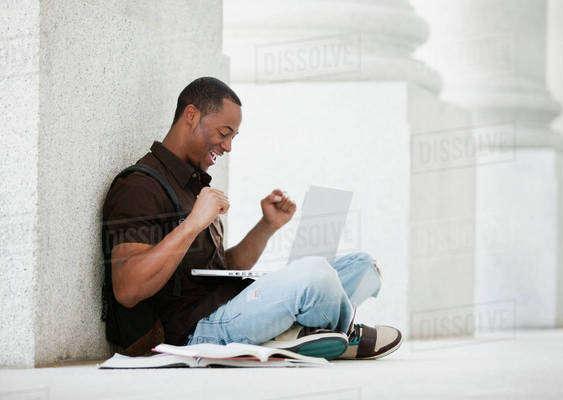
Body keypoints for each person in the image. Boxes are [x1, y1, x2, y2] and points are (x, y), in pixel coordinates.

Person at [102, 77, 402, 360]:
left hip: (226, 308)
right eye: (224, 133)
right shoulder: (140, 187)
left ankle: (303, 332)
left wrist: (266, 226)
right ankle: (339, 334)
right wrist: (193, 223)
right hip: (192, 333)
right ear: (191, 115)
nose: (228, 146)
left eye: (233, 136)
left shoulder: (194, 187)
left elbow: (223, 271)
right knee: (316, 276)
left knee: (362, 267)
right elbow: (128, 290)